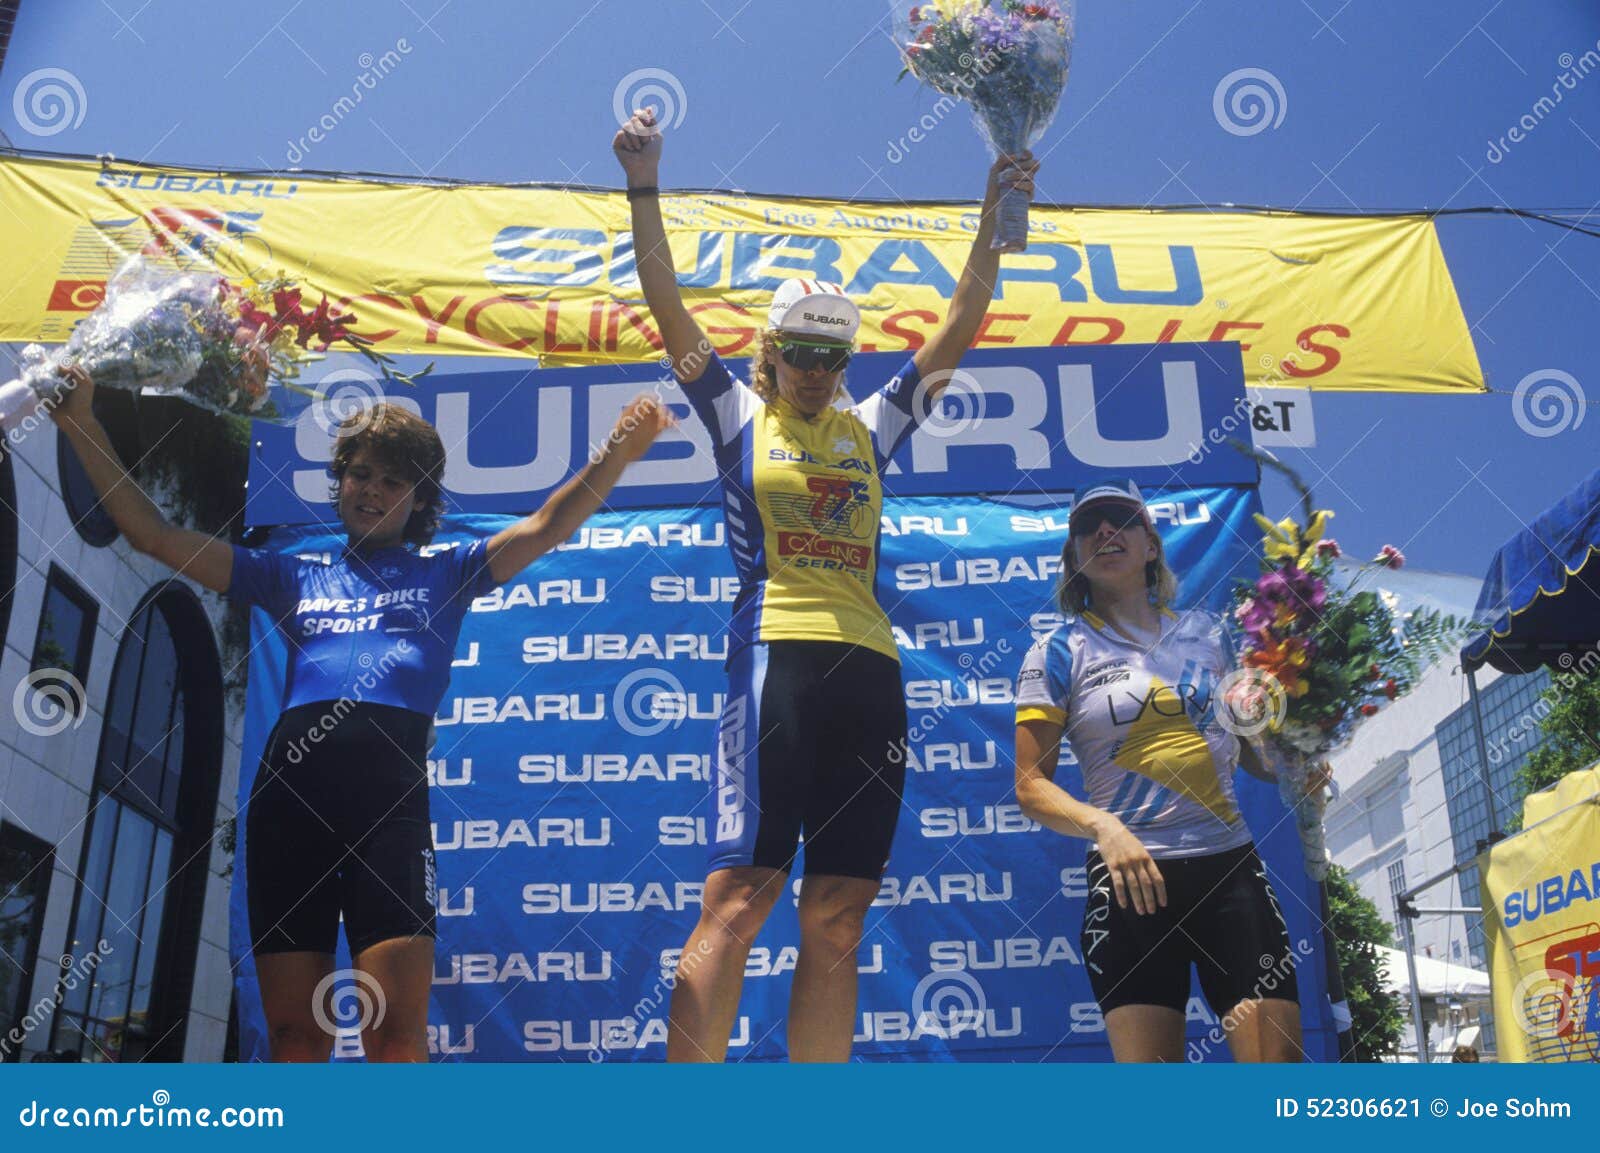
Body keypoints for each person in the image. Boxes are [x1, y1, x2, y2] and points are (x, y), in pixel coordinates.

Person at [51, 363, 672, 1061]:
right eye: (361, 473)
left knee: (394, 1030)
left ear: (419, 498)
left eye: (393, 480)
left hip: (389, 811)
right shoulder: (289, 574)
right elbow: (155, 535)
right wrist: (80, 418)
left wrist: (618, 449)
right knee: (294, 1033)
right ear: (340, 480)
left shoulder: (448, 572)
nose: (372, 490)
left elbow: (547, 523)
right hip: (290, 802)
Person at [612, 106, 1038, 1062]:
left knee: (839, 915)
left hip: (871, 670)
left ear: (847, 361)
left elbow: (960, 326)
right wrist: (645, 186)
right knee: (739, 897)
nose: (812, 367)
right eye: (797, 350)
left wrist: (991, 214)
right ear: (771, 353)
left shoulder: (874, 426)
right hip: (778, 656)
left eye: (829, 353)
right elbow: (666, 300)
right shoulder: (730, 411)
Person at [1013, 477, 1324, 1063]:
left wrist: (1296, 761)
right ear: (1074, 557)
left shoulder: (1211, 635)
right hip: (1130, 881)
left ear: (1151, 546)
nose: (1106, 531)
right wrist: (1105, 828)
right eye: (1089, 527)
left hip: (1229, 869)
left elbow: (1255, 755)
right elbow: (1030, 787)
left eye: (1123, 520)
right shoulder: (1058, 650)